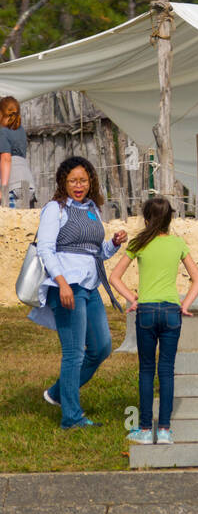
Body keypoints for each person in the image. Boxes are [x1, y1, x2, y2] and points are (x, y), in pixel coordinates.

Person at [30, 156, 127, 428]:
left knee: (101, 347)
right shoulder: (54, 209)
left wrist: (113, 244)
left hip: (90, 285)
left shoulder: (92, 209)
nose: (78, 185)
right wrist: (61, 283)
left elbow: (95, 253)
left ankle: (58, 393)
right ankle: (71, 417)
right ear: (63, 182)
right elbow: (46, 249)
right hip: (66, 285)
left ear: (91, 181)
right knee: (75, 353)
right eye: (72, 180)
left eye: (83, 180)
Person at [109, 194, 198, 445]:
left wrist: (133, 299)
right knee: (167, 371)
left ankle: (143, 429)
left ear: (147, 218)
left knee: (146, 370)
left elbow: (114, 277)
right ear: (170, 218)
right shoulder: (178, 244)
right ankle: (164, 430)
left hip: (147, 312)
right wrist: (185, 305)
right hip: (172, 311)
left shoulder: (139, 244)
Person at [0, 95, 34, 206]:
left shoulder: (3, 132)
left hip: (12, 184)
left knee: (8, 222)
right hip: (27, 182)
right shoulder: (21, 131)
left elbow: (6, 158)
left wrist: (4, 189)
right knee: (24, 221)